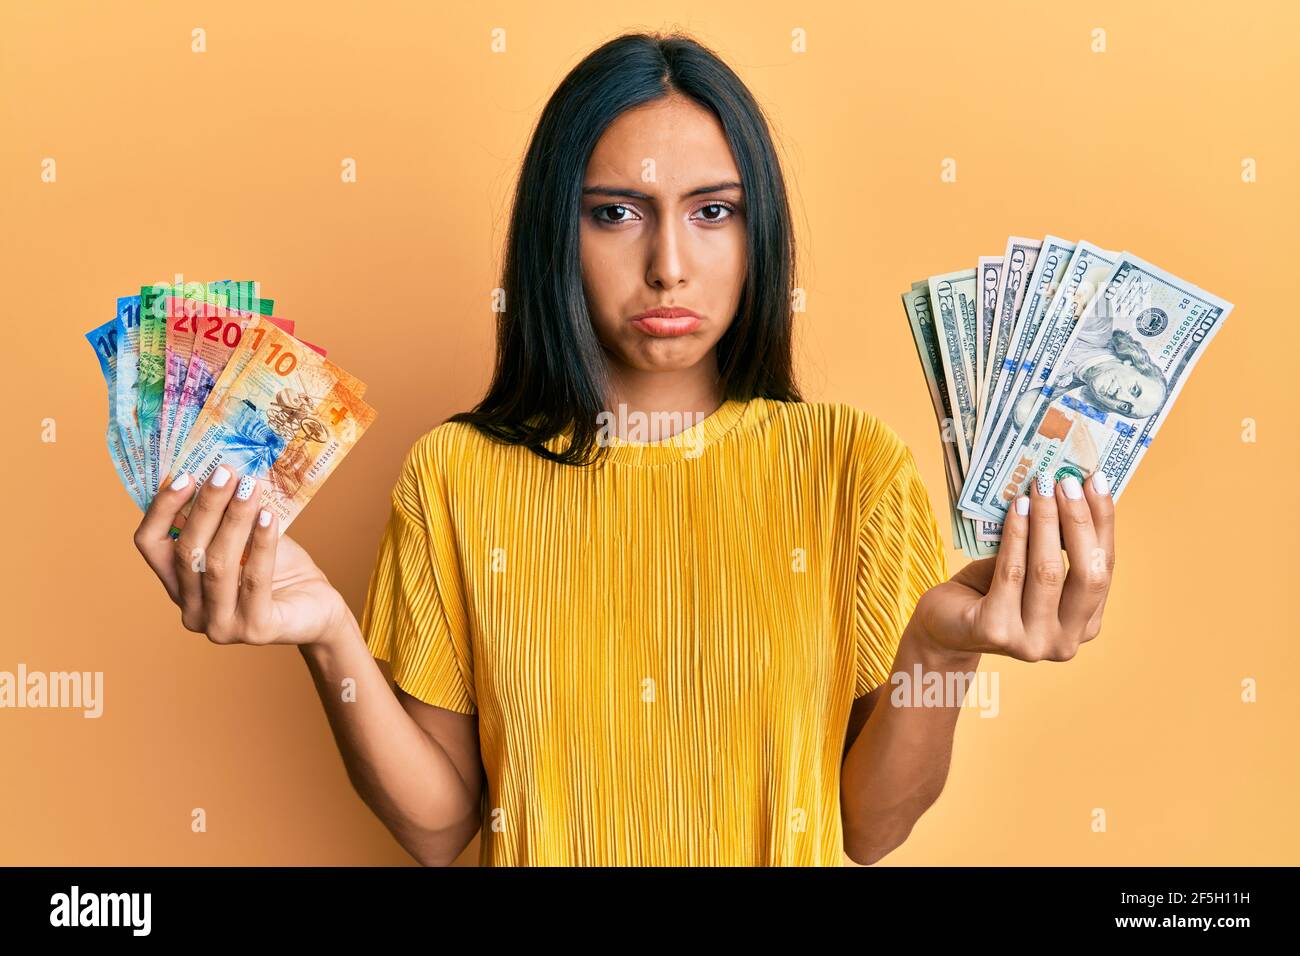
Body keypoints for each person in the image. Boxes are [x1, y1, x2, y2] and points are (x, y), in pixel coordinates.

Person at [131, 31, 1117, 867]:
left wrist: (937, 649)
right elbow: (440, 829)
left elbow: (869, 826)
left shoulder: (851, 467)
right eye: (616, 213)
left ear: (756, 232)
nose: (668, 264)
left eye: (712, 210)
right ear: (553, 233)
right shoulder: (456, 475)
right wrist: (328, 637)